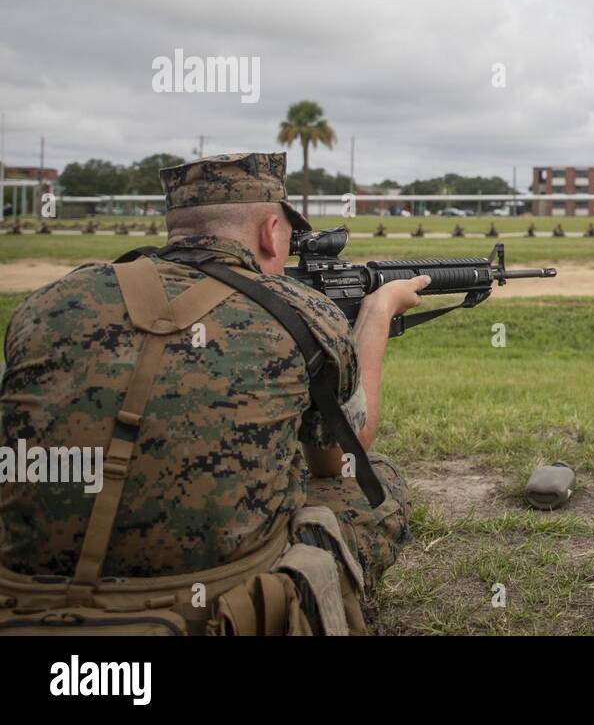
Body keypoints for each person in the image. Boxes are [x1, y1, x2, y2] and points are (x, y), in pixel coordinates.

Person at [0, 152, 427, 634]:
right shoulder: (301, 311)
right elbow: (343, 460)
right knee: (379, 486)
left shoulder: (50, 303)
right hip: (218, 608)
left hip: (27, 596)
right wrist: (376, 316)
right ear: (270, 230)